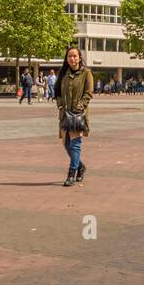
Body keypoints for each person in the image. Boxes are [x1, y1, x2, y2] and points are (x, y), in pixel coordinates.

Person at [55, 46, 93, 186]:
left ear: (79, 57)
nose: (72, 59)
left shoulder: (86, 73)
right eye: (69, 56)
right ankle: (80, 166)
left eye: (75, 56)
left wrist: (80, 105)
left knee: (75, 144)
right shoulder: (63, 73)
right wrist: (59, 103)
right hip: (65, 113)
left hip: (78, 114)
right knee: (66, 144)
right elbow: (57, 91)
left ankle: (71, 173)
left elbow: (88, 93)